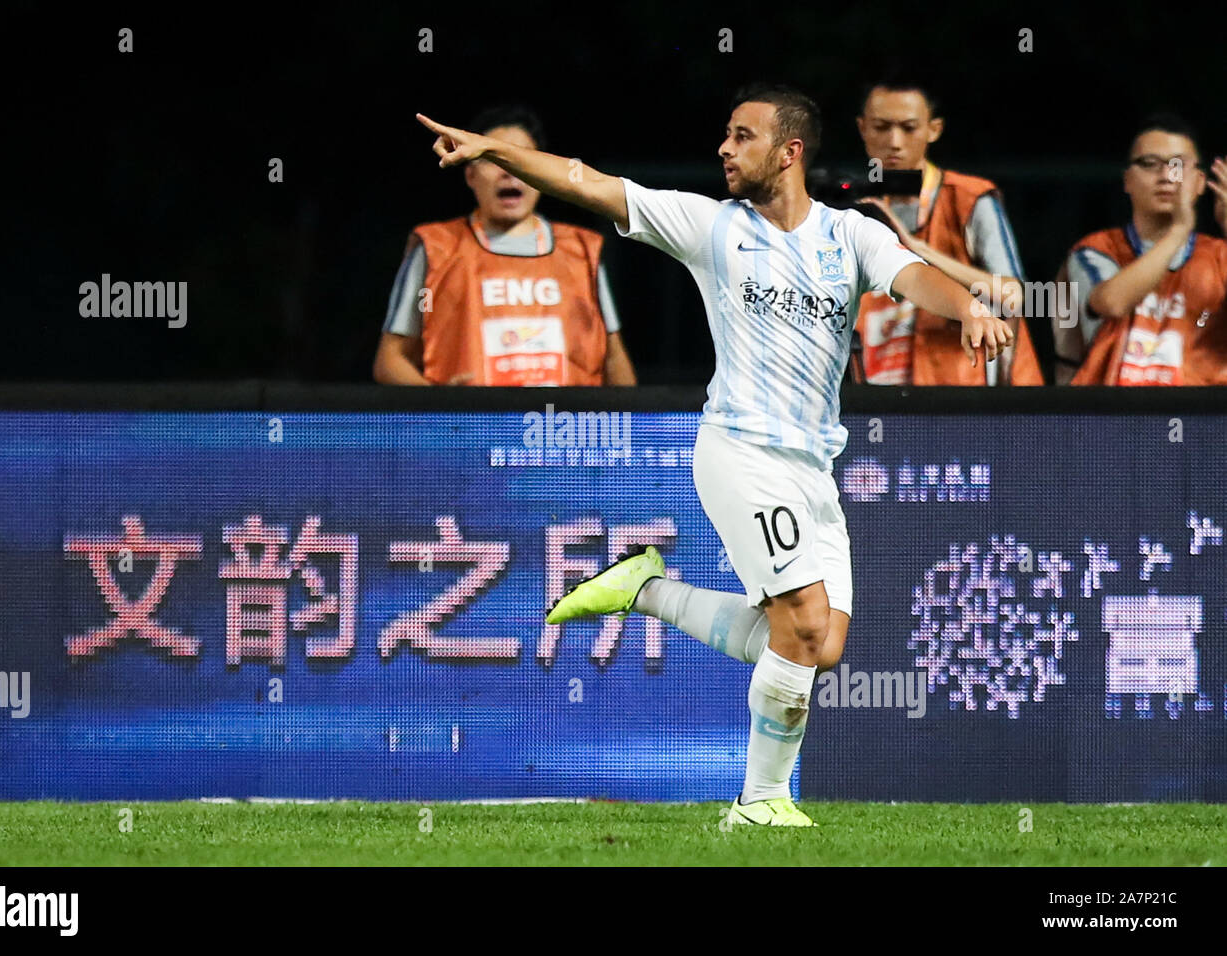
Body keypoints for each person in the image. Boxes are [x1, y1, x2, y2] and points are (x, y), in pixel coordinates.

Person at [416, 83, 1013, 826]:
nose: (725, 149)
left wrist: (972, 306)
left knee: (818, 645)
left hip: (812, 467)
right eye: (725, 136)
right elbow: (583, 180)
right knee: (802, 616)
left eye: (743, 136)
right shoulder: (710, 226)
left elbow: (912, 276)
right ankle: (760, 804)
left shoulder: (848, 235)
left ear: (790, 151)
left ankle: (646, 590)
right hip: (740, 451)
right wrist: (496, 149)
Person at [375, 105, 637, 386]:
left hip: (559, 428)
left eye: (520, 159)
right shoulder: (436, 248)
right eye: (492, 159)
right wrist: (442, 407)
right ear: (470, 176)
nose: (508, 172)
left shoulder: (583, 250)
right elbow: (391, 360)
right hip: (469, 429)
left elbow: (613, 360)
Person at [852, 77, 1043, 385]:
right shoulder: (852, 207)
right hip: (878, 393)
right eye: (881, 127)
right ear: (862, 129)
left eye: (909, 128)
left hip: (960, 398)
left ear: (934, 129)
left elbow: (1017, 296)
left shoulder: (969, 198)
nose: (895, 141)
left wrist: (921, 250)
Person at [1055, 115, 1227, 385]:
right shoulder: (1094, 251)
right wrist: (1179, 230)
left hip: (1204, 421)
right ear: (1127, 181)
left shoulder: (1221, 257)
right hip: (1113, 419)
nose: (1166, 176)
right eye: (1149, 164)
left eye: (1178, 165)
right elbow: (1112, 302)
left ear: (1201, 182)